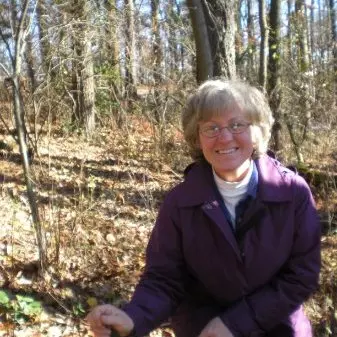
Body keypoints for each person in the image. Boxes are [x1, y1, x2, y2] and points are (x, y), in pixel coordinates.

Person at [86, 79, 321, 337]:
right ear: (197, 138)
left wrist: (234, 323)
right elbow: (164, 279)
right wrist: (133, 317)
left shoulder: (292, 193)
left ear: (257, 131)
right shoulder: (180, 203)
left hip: (280, 329)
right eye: (211, 128)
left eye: (237, 124)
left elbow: (301, 277)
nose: (225, 137)